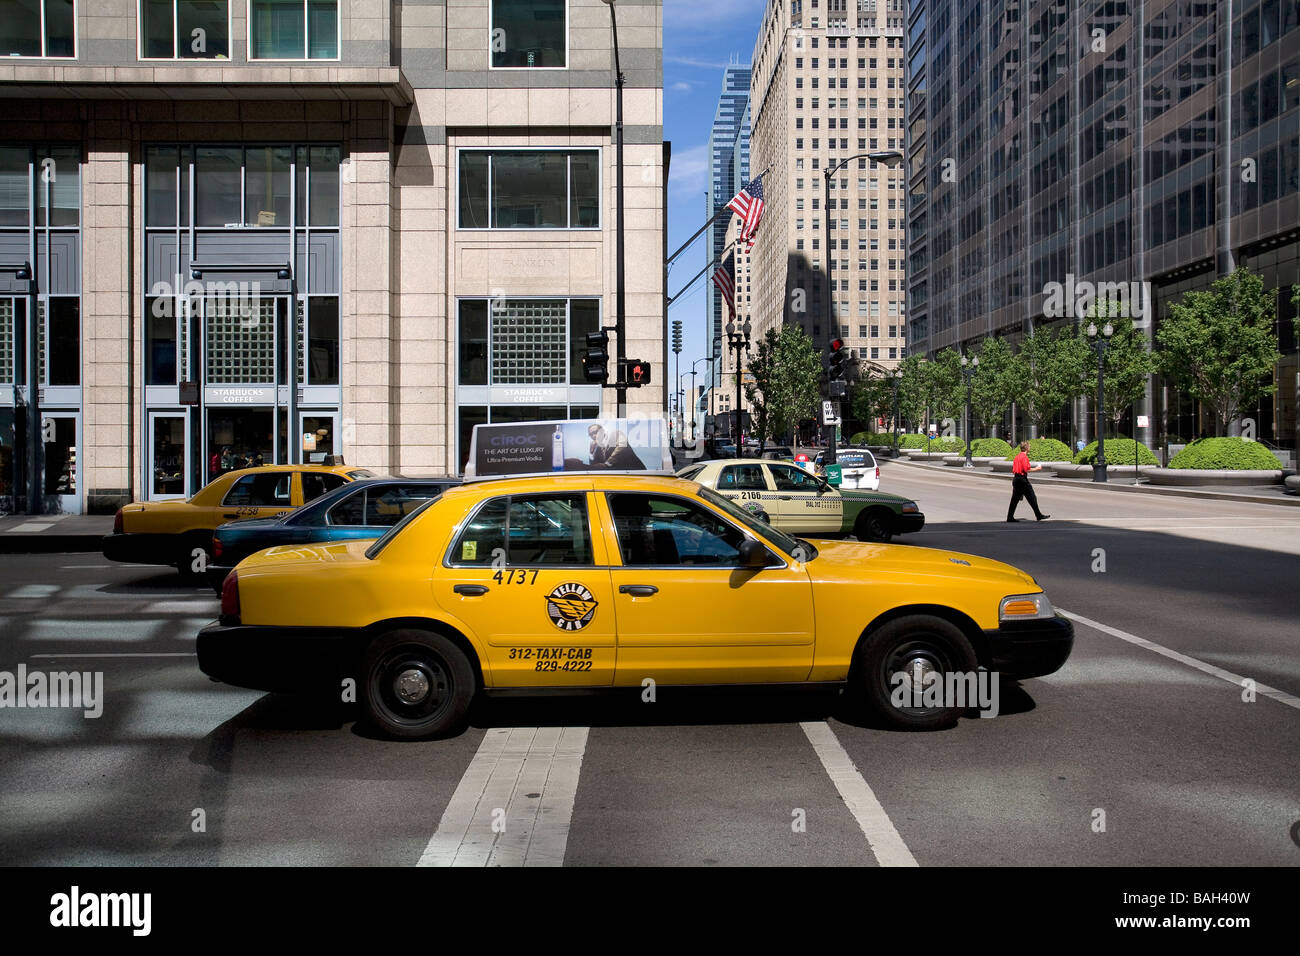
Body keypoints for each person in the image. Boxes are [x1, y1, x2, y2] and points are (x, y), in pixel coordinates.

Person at [1007, 440, 1050, 522]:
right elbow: (1026, 469)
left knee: (1015, 499)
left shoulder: (1017, 456)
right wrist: (1037, 468)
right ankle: (1038, 515)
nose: (1030, 448)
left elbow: (1014, 469)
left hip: (1016, 479)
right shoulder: (1024, 457)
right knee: (1032, 497)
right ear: (1027, 448)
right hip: (1022, 480)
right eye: (1029, 446)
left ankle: (1010, 517)